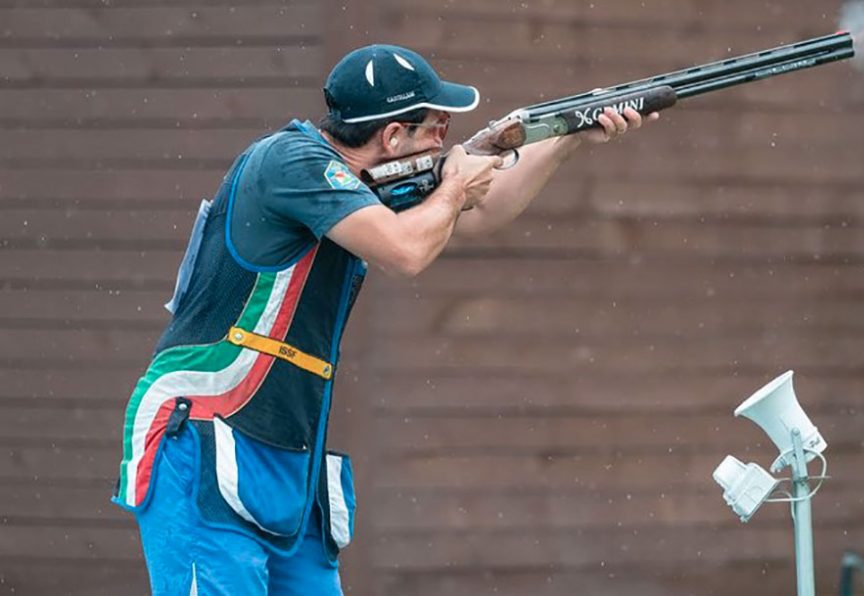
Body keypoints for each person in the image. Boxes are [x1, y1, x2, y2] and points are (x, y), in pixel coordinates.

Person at [112, 44, 653, 594]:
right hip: (204, 432)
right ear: (393, 139)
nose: (446, 139)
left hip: (284, 458)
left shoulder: (362, 185)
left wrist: (564, 137)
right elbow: (406, 251)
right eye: (436, 126)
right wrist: (455, 186)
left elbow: (483, 212)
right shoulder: (290, 162)